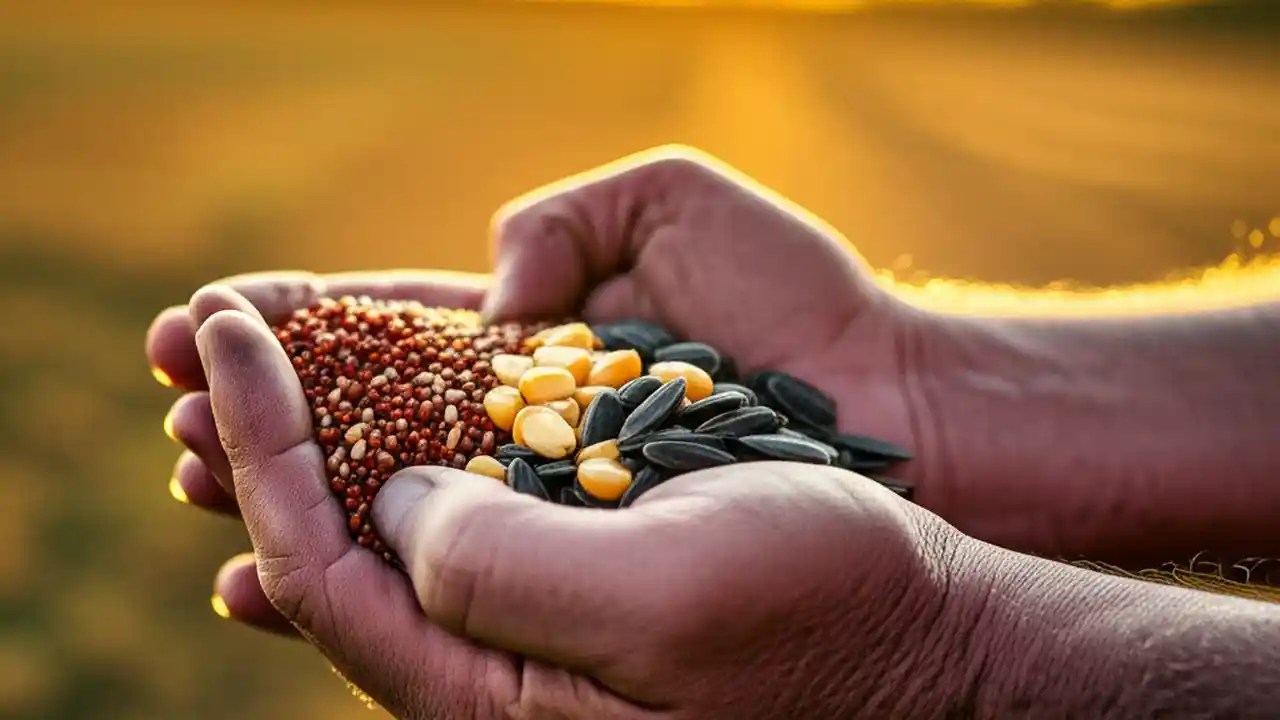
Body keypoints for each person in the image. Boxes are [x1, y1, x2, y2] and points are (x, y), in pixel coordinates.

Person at [145, 147, 1280, 718]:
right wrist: (920, 382)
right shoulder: (604, 398)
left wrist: (943, 663)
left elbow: (923, 649)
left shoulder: (617, 406)